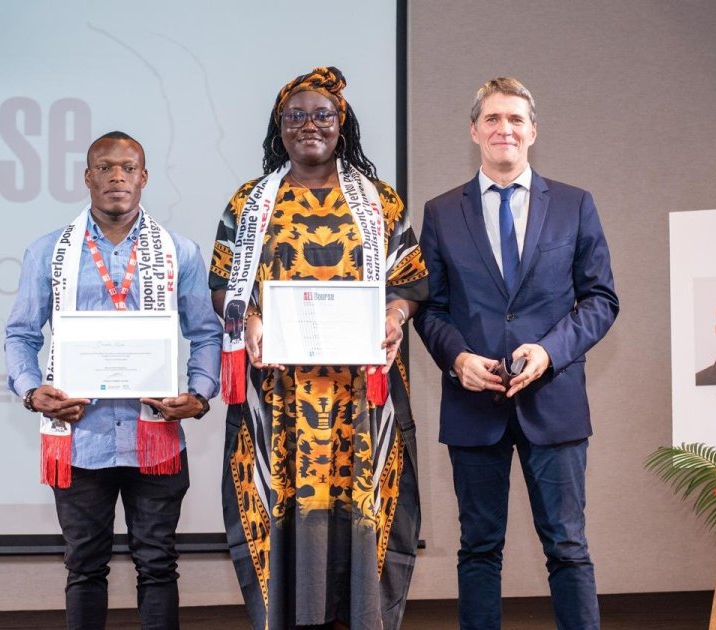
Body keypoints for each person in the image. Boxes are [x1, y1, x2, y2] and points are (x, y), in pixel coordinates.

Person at [210, 66, 426, 630]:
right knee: (285, 517)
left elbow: (408, 280)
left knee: (363, 517)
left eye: (323, 115)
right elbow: (222, 285)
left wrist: (396, 314)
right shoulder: (249, 202)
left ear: (342, 124)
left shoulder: (380, 202)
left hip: (360, 401)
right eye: (296, 116)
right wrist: (250, 318)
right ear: (279, 129)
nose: (310, 125)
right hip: (281, 397)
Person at [414, 77, 619, 630]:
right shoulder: (439, 212)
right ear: (474, 131)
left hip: (554, 405)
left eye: (515, 120)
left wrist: (550, 352)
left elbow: (601, 300)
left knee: (568, 547)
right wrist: (458, 360)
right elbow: (429, 310)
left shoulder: (575, 204)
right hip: (472, 406)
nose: (504, 128)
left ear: (533, 131)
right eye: (493, 119)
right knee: (478, 549)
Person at [4, 131, 222, 629]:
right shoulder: (48, 252)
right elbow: (20, 333)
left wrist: (200, 394)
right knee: (83, 569)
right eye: (104, 167)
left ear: (144, 178)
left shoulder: (180, 252)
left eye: (128, 167)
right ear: (88, 178)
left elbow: (206, 333)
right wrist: (31, 391)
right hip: (81, 440)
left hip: (157, 437)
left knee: (159, 566)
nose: (117, 176)